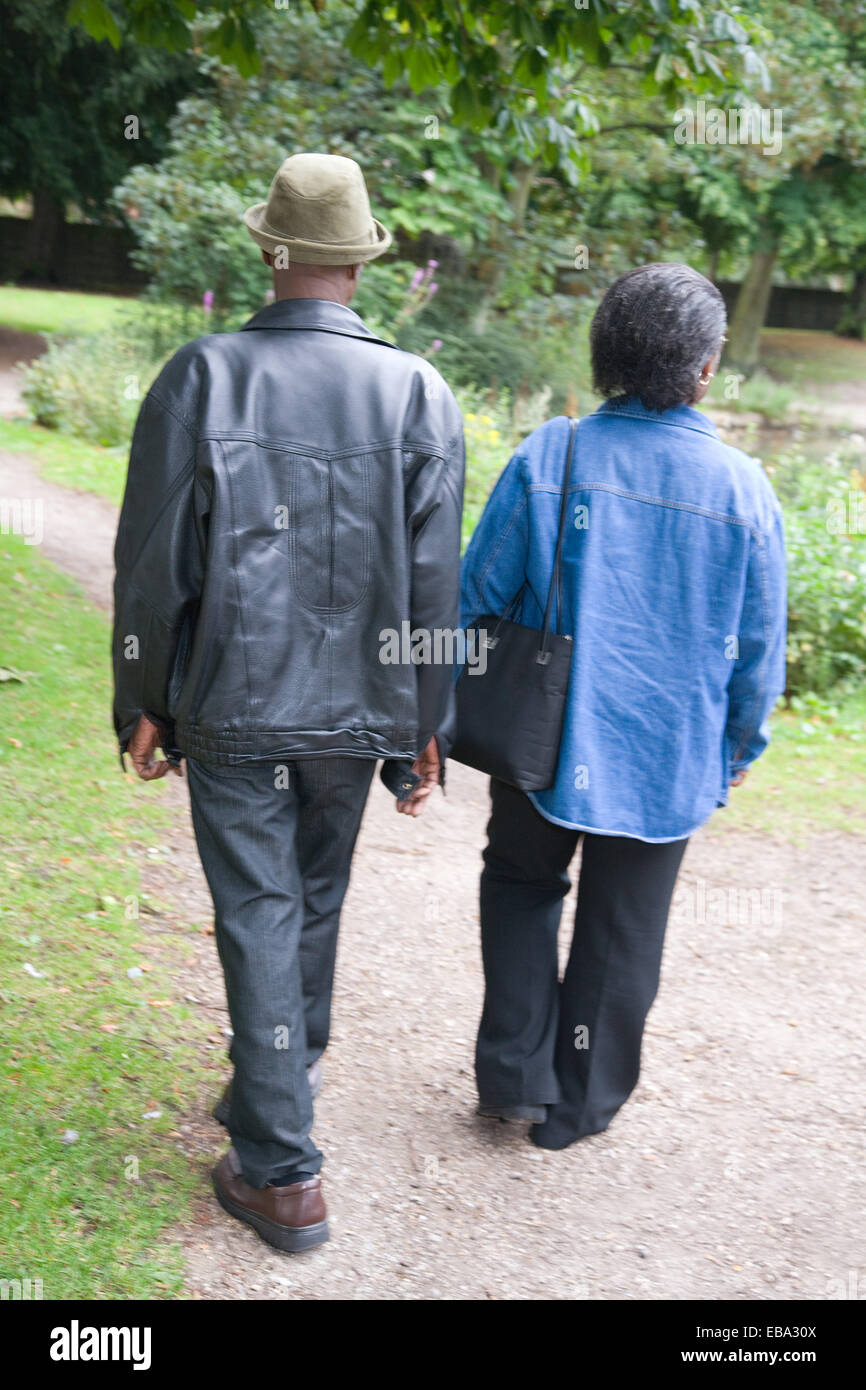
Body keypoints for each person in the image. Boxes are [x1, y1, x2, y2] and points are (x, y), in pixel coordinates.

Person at [112, 153, 464, 1251]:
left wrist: (144, 694)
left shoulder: (200, 376)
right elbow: (433, 578)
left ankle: (280, 1169)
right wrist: (420, 728)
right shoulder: (419, 390)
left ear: (269, 251)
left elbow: (153, 565)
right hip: (356, 711)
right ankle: (278, 1085)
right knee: (309, 896)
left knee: (263, 908)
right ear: (360, 264)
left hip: (235, 706)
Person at [460, 262, 786, 1150]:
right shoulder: (745, 490)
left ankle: (515, 1080)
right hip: (670, 752)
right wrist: (741, 743)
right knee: (624, 926)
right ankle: (577, 1105)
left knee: (522, 888)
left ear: (604, 352)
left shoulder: (549, 455)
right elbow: (759, 646)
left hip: (540, 737)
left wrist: (435, 710)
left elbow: (474, 599)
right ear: (705, 369)